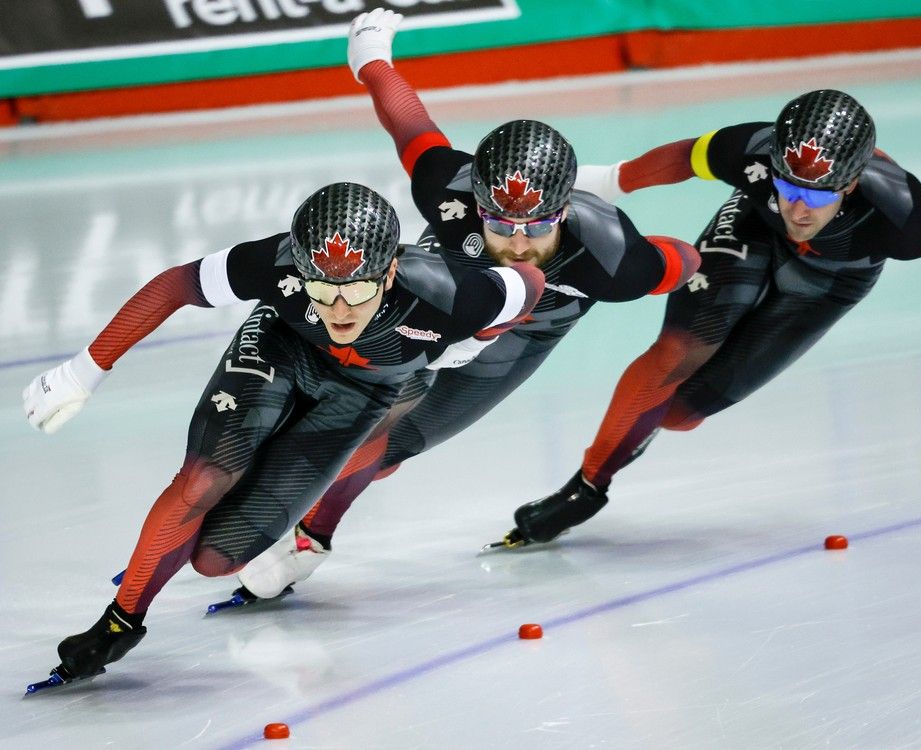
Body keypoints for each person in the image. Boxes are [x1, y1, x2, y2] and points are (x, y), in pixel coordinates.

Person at [229, 8, 702, 598]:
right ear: (474, 201)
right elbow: (408, 122)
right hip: (443, 299)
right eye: (499, 222)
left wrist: (641, 215)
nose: (517, 244)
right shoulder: (448, 187)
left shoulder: (613, 260)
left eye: (536, 227)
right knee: (355, 412)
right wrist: (371, 54)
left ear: (564, 214)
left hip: (524, 334)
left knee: (392, 445)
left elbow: (682, 259)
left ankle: (311, 537)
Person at [21, 181, 545, 689]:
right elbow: (175, 284)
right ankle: (119, 622)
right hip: (281, 350)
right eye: (322, 290)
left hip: (362, 393)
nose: (339, 310)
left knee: (216, 559)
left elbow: (531, 285)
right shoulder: (276, 265)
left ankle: (184, 539)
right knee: (206, 478)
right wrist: (81, 372)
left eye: (356, 290)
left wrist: (473, 343)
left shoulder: (453, 292)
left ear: (389, 273)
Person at [497, 88, 921, 547]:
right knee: (678, 352)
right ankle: (586, 487)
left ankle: (637, 435)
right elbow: (686, 156)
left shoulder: (908, 222)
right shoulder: (751, 148)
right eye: (787, 186)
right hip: (751, 229)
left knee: (680, 414)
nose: (797, 207)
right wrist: (613, 180)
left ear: (852, 184)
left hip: (830, 281)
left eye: (816, 196)